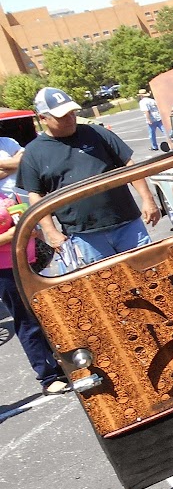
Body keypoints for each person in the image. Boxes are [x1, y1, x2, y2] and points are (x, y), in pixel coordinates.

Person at [17, 87, 160, 269]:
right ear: (43, 118)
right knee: (107, 282)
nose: (70, 119)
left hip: (127, 224)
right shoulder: (33, 152)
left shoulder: (96, 133)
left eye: (72, 113)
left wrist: (148, 199)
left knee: (150, 271)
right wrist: (50, 231)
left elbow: (128, 165)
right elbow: (36, 195)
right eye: (62, 116)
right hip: (84, 236)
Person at [0, 138, 68, 395]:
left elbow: (23, 161)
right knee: (27, 321)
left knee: (48, 313)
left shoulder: (5, 196)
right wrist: (13, 235)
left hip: (29, 260)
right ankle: (48, 377)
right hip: (6, 269)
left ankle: (65, 364)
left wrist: (32, 231)